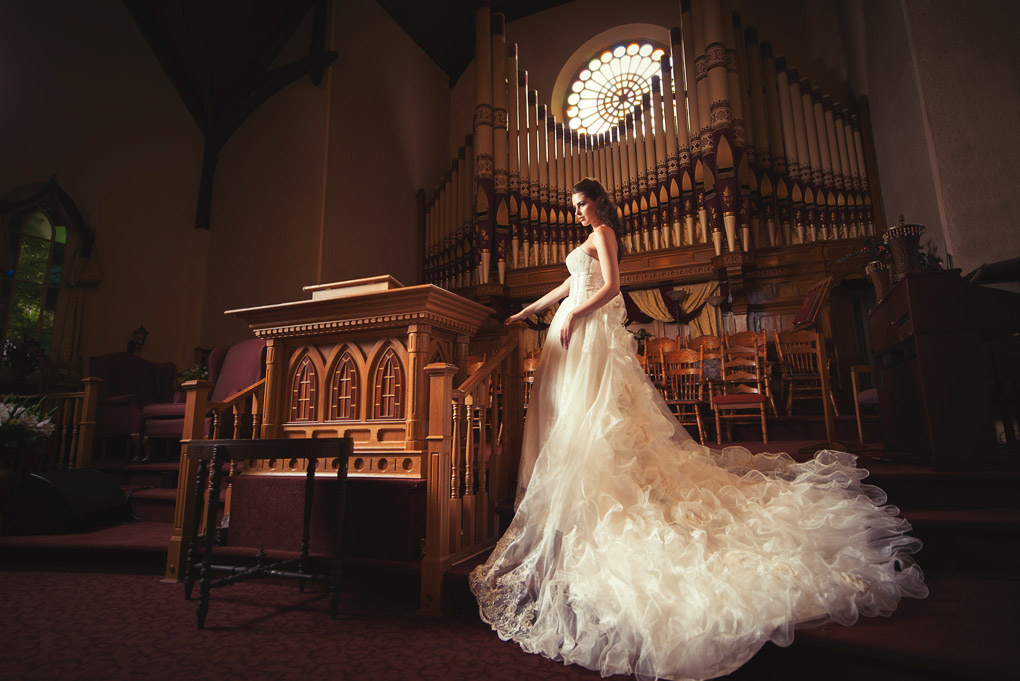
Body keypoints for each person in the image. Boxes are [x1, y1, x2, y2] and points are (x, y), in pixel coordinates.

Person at [469, 178, 927, 681]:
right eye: (573, 206)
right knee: (565, 416)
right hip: (570, 326)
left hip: (589, 329)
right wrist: (536, 310)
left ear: (599, 201)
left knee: (598, 419)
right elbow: (568, 283)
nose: (577, 212)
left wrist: (576, 312)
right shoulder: (581, 243)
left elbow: (611, 287)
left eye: (582, 203)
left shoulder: (605, 233)